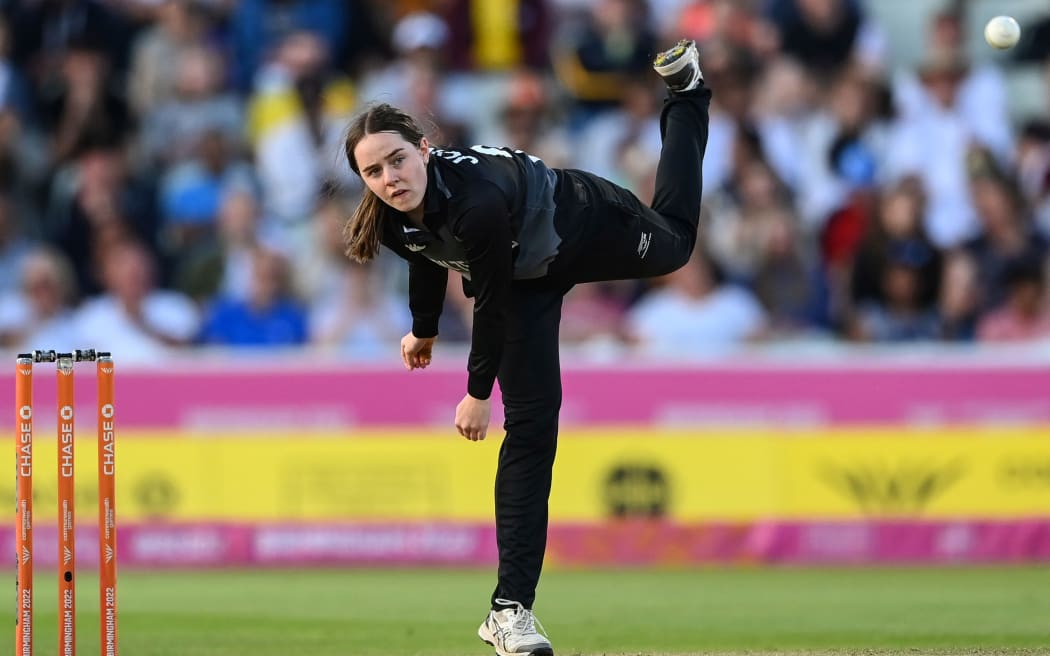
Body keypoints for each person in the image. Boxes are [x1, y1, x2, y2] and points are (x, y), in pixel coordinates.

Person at [342, 39, 711, 656]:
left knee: (675, 244)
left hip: (579, 223)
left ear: (424, 150)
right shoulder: (391, 212)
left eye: (397, 161)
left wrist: (476, 394)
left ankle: (689, 95)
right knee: (534, 433)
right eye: (373, 172)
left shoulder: (477, 208)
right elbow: (426, 255)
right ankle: (510, 613)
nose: (389, 179)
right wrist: (424, 328)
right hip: (523, 280)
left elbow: (484, 301)